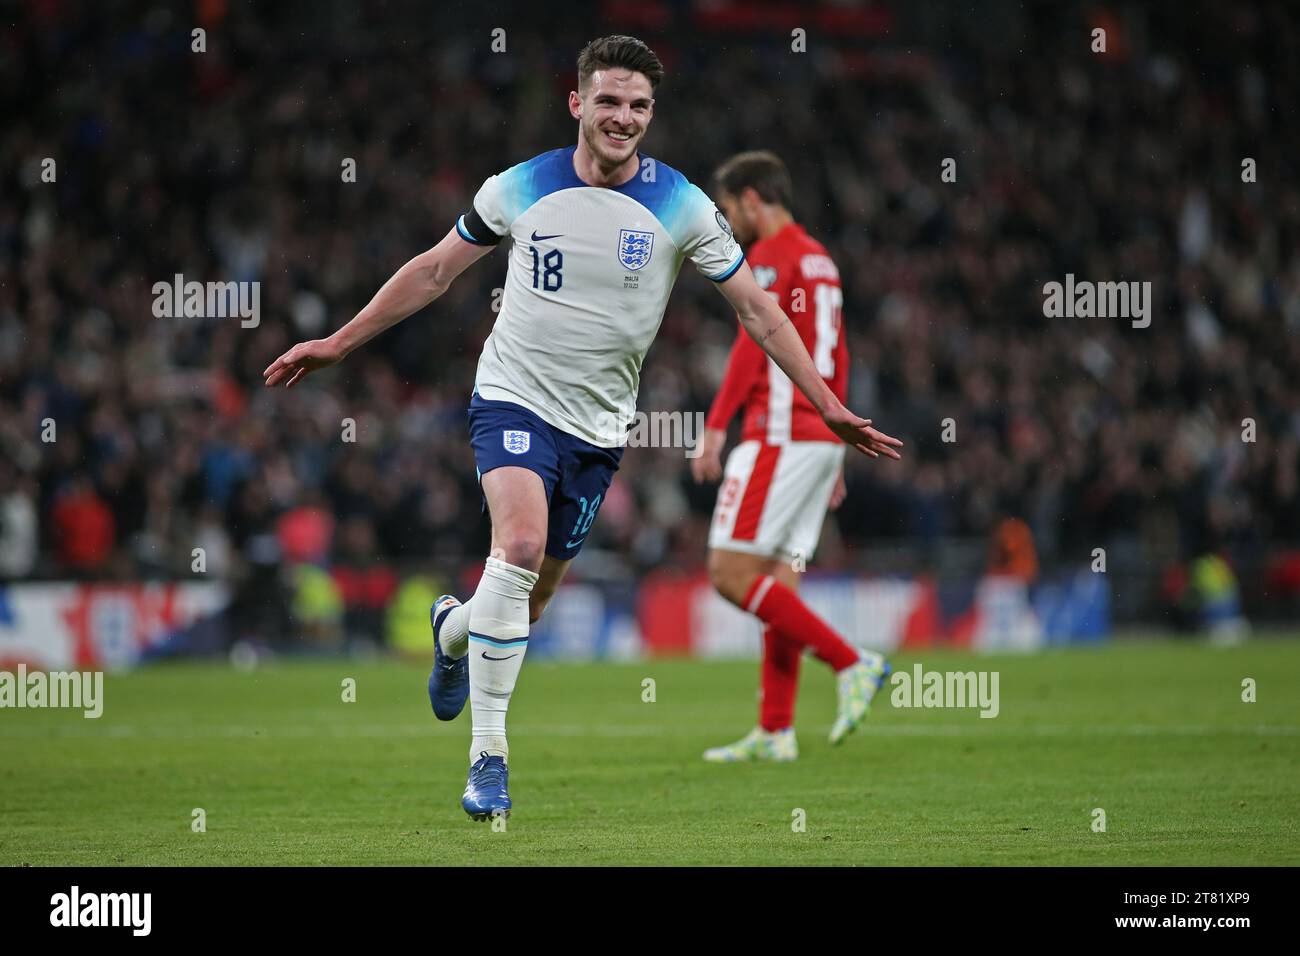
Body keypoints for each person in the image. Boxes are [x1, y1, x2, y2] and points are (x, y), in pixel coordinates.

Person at [263, 36, 902, 820]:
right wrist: (338, 342)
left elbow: (761, 315)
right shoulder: (522, 185)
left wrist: (827, 402)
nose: (622, 118)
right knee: (519, 548)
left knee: (522, 605)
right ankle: (488, 764)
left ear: (651, 114)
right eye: (608, 101)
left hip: (599, 434)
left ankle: (453, 630)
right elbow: (434, 269)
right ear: (577, 103)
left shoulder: (684, 206)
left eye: (638, 106)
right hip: (511, 398)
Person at [692, 151, 892, 763]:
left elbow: (754, 347)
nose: (728, 223)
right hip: (816, 438)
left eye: (729, 210)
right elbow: (842, 354)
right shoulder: (821, 259)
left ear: (753, 199)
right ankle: (776, 730)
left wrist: (716, 426)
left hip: (780, 434)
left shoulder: (774, 259)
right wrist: (838, 441)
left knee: (729, 574)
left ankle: (851, 661)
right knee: (777, 581)